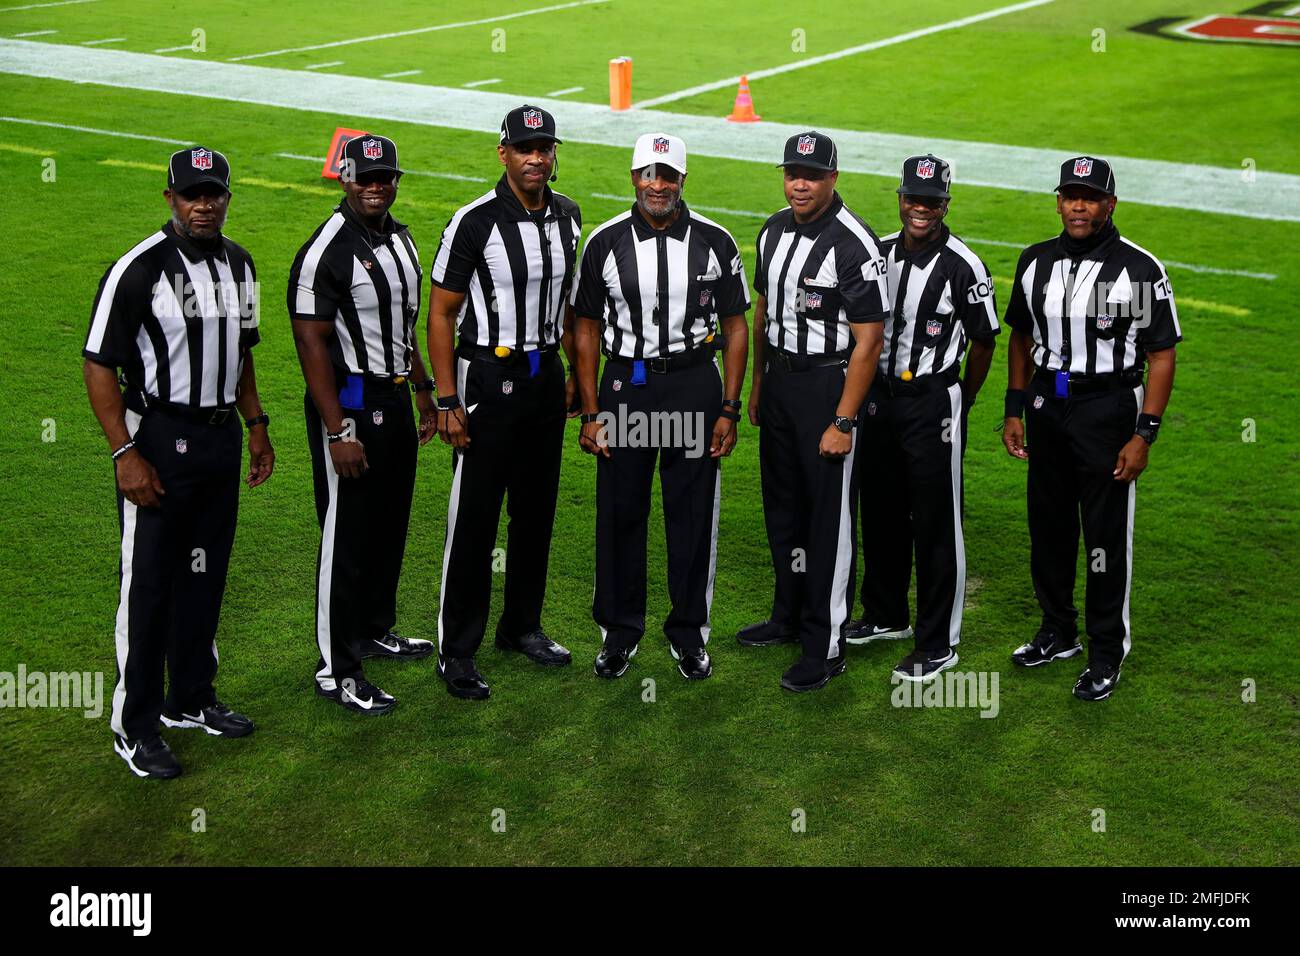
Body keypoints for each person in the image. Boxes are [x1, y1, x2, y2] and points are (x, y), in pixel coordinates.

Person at [83, 146, 273, 778]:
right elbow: (98, 363)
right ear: (170, 198)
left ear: (226, 196)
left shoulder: (240, 264)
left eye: (214, 193)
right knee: (148, 587)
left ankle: (189, 698)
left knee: (204, 576)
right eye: (192, 194)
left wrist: (256, 426)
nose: (204, 204)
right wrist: (124, 451)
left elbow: (242, 354)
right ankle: (133, 725)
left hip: (218, 439)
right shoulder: (138, 268)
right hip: (159, 438)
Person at [572, 132, 750, 681]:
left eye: (668, 175)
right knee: (621, 512)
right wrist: (590, 411)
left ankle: (689, 633)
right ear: (633, 178)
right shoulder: (604, 242)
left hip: (694, 386)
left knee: (692, 515)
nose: (658, 184)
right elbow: (584, 330)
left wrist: (729, 408)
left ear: (682, 181)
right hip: (627, 386)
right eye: (649, 173)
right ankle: (619, 633)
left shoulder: (717, 242)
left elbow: (737, 328)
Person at [1002, 156, 1181, 701]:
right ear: (1058, 202)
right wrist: (1014, 407)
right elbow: (1020, 338)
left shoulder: (1139, 268)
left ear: (1110, 203)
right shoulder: (1034, 261)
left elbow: (1163, 355)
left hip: (1107, 408)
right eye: (1070, 195)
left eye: (1090, 196)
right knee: (1049, 528)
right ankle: (1057, 631)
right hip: (1047, 405)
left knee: (1105, 537)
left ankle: (1107, 650)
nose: (1079, 205)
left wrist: (1144, 432)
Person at [426, 106, 582, 700]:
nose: (535, 157)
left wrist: (570, 374)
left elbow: (569, 307)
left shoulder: (568, 215)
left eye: (544, 147)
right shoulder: (474, 221)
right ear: (504, 154)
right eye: (524, 148)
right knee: (475, 519)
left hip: (544, 379)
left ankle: (522, 626)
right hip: (488, 378)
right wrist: (446, 397)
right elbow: (440, 313)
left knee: (536, 513)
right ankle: (457, 649)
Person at [288, 133, 437, 716]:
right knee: (345, 537)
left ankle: (374, 629)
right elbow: (310, 342)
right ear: (344, 177)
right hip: (349, 402)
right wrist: (336, 430)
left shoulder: (400, 237)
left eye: (386, 178)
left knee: (388, 526)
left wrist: (423, 390)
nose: (376, 187)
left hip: (395, 396)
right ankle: (338, 666)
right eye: (365, 178)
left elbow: (403, 326)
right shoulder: (326, 248)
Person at [735, 131, 889, 692]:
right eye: (792, 173)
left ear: (833, 178)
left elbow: (869, 341)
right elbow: (762, 313)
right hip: (780, 383)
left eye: (812, 175)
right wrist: (757, 386)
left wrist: (845, 420)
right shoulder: (773, 229)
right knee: (784, 507)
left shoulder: (854, 243)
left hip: (829, 387)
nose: (800, 183)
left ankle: (826, 645)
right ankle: (789, 614)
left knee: (829, 520)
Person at [846, 154, 1000, 683]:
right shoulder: (879, 252)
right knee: (882, 510)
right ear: (900, 197)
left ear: (946, 204)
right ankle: (886, 614)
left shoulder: (964, 265)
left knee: (936, 521)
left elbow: (984, 341)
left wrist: (961, 396)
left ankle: (939, 641)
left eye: (931, 201)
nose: (920, 208)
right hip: (879, 398)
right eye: (913, 197)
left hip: (933, 399)